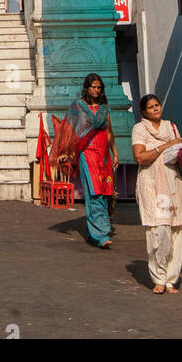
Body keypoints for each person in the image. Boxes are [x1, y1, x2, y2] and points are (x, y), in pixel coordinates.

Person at [131, 92, 182, 293]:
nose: (156, 109)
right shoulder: (139, 129)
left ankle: (170, 280)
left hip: (172, 183)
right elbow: (140, 158)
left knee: (176, 230)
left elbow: (178, 160)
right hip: (151, 184)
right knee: (159, 231)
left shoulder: (172, 127)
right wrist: (165, 146)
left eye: (157, 105)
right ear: (144, 111)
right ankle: (158, 277)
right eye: (151, 107)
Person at [55, 74, 119, 249]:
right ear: (87, 88)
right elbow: (70, 131)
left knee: (106, 192)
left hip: (104, 154)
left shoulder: (104, 108)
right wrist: (66, 152)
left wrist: (115, 152)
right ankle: (101, 234)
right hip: (87, 153)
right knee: (94, 192)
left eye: (99, 88)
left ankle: (96, 232)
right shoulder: (79, 107)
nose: (96, 91)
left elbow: (109, 131)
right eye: (93, 87)